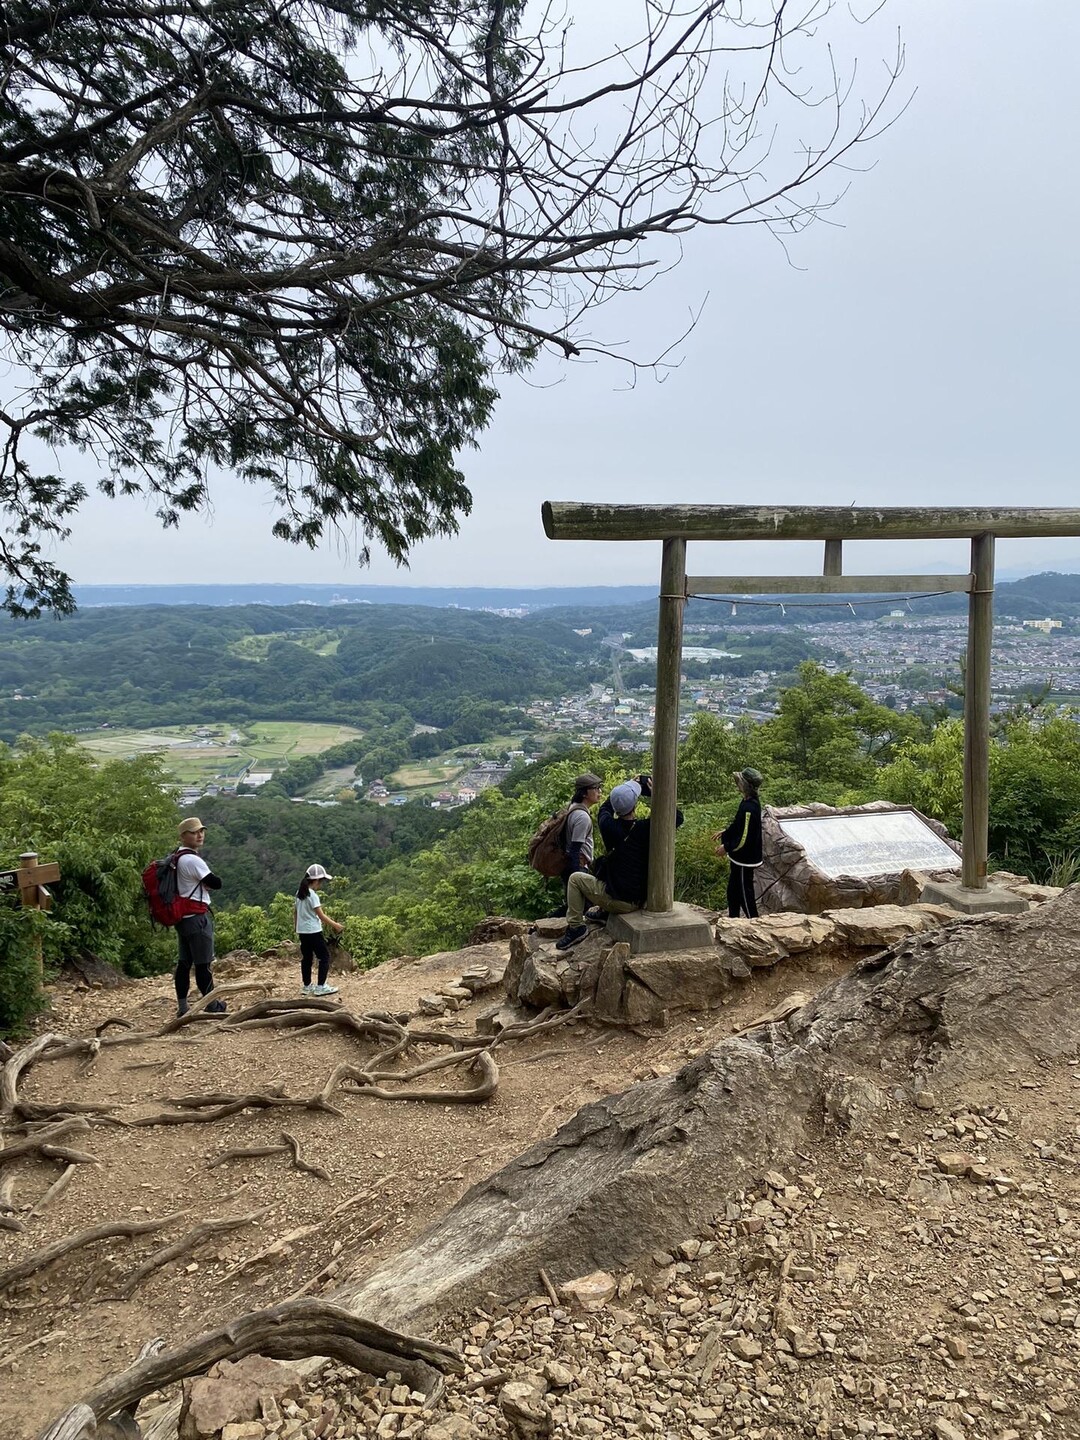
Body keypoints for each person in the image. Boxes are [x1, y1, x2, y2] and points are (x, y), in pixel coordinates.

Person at [557, 776, 681, 950]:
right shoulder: (646, 829)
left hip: (620, 900)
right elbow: (678, 818)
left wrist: (621, 791)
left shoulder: (607, 825)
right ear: (635, 806)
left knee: (575, 879)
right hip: (639, 897)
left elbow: (605, 807)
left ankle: (576, 927)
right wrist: (656, 795)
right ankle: (603, 911)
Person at [174, 817, 225, 1016]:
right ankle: (212, 1005)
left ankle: (183, 1007)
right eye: (194, 832)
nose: (200, 835)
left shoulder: (177, 857)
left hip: (182, 919)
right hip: (197, 918)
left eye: (201, 831)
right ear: (183, 836)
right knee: (203, 965)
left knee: (184, 963)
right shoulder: (193, 860)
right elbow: (216, 882)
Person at [715, 768, 764, 918]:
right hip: (739, 858)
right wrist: (726, 832)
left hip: (744, 859)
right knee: (733, 892)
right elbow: (739, 825)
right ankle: (733, 920)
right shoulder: (747, 802)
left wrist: (727, 847)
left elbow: (744, 837)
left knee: (744, 893)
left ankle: (753, 924)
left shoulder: (749, 808)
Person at [295, 863, 344, 996]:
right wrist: (336, 925)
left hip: (302, 932)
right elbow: (321, 915)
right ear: (315, 880)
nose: (321, 884)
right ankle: (321, 987)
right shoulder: (313, 895)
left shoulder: (299, 893)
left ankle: (306, 986)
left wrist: (296, 927)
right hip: (314, 932)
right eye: (321, 881)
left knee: (307, 958)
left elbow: (295, 912)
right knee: (324, 957)